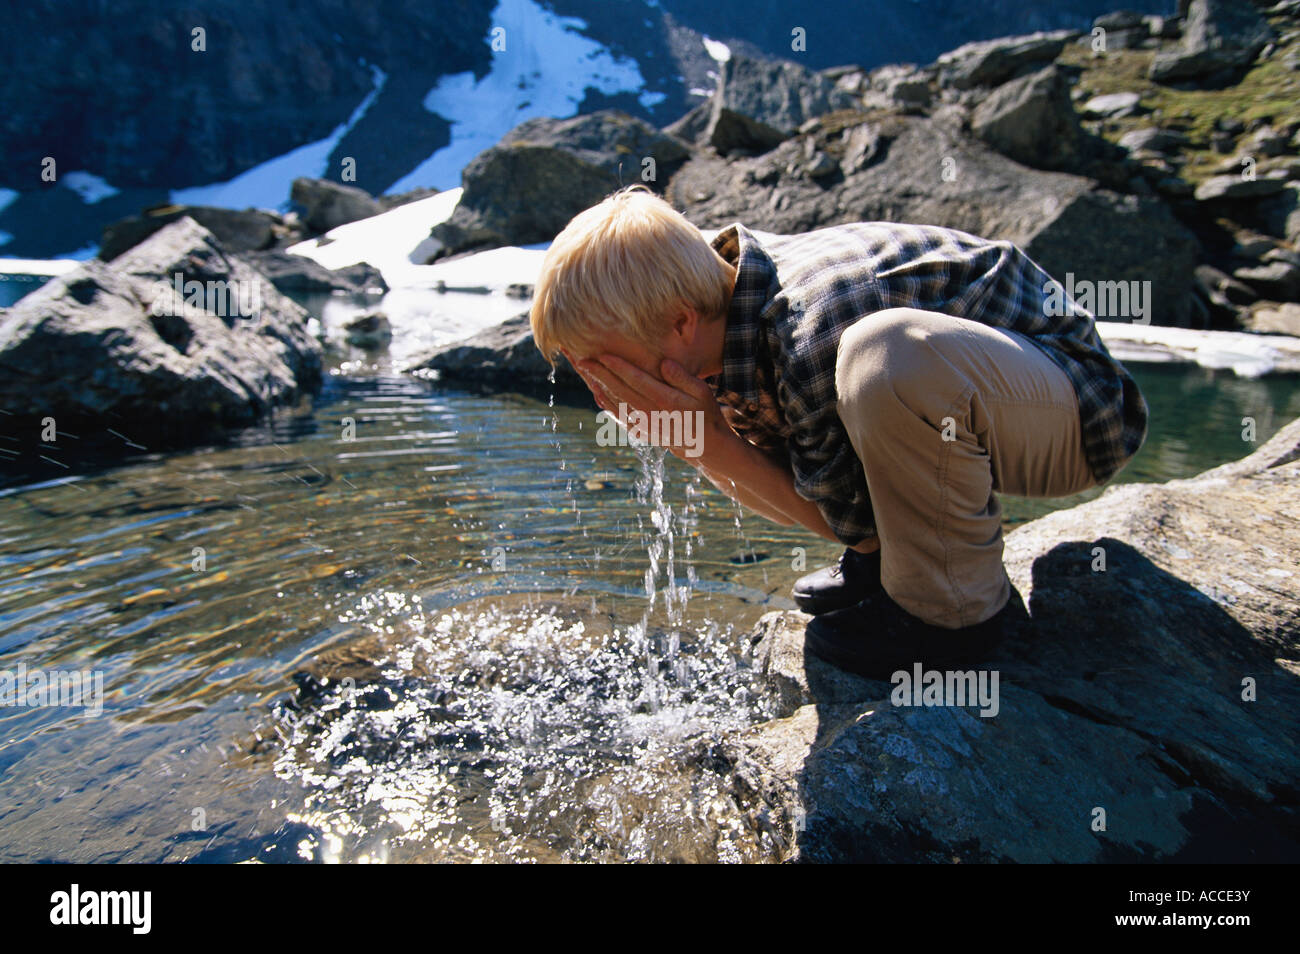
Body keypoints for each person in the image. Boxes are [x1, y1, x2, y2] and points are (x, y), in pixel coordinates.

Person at [529, 185, 1147, 678]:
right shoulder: (729, 315)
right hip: (994, 407)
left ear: (680, 322)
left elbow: (858, 522)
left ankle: (959, 611)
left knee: (885, 353)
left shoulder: (810, 320)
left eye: (606, 361)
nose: (602, 382)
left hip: (1082, 414)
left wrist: (708, 443)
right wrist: (696, 439)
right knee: (869, 386)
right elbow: (819, 486)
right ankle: (895, 573)